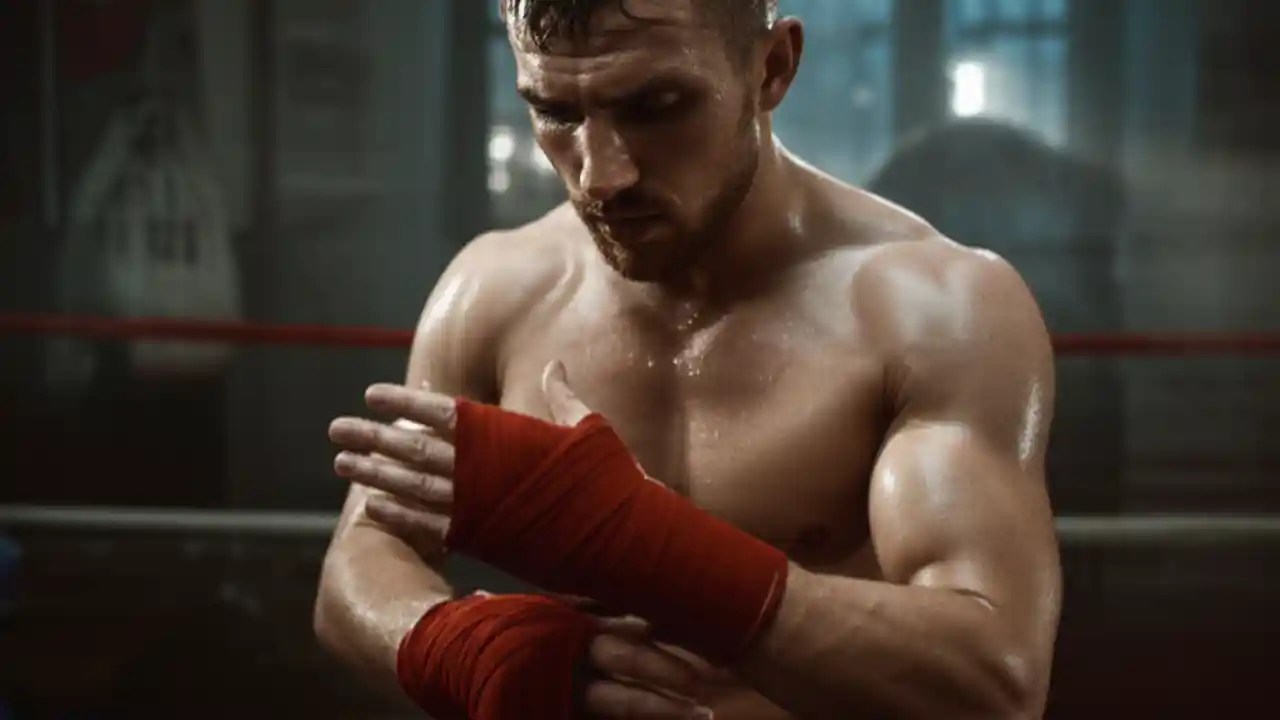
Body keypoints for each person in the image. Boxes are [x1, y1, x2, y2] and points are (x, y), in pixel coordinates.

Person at [316, 1, 1062, 717]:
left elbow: (994, 683)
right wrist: (467, 649)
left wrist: (645, 546)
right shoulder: (495, 291)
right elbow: (358, 569)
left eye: (656, 104)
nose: (600, 177)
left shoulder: (934, 310)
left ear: (772, 68)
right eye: (557, 112)